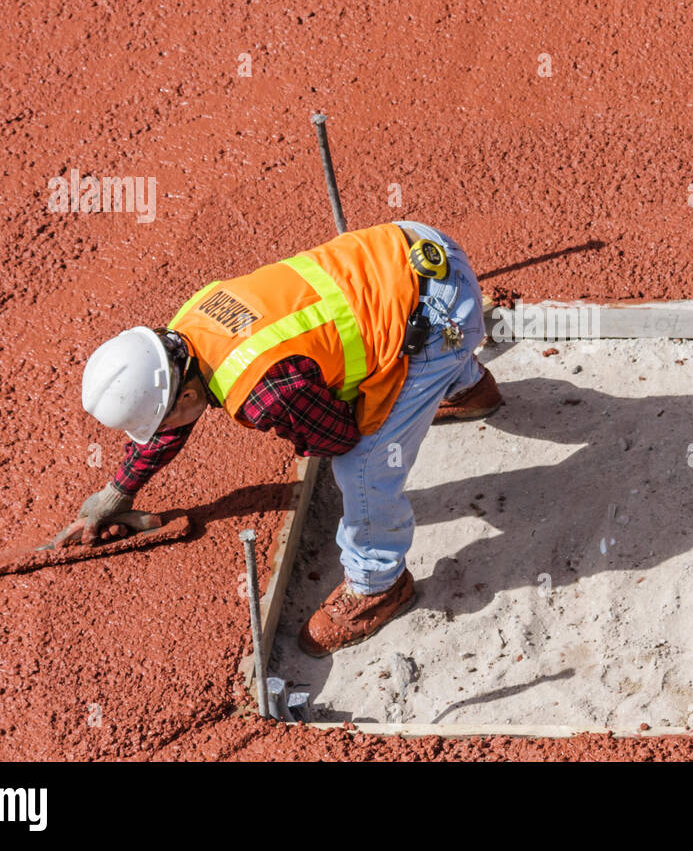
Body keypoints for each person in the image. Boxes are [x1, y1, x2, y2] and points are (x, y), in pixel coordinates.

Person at [71, 221, 502, 654]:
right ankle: (466, 386)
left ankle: (378, 586)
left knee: (363, 466)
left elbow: (338, 438)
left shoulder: (265, 393)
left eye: (159, 422)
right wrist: (118, 491)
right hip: (411, 245)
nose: (162, 432)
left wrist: (310, 420)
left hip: (442, 313)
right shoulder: (188, 323)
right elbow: (175, 412)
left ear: (182, 393)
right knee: (355, 351)